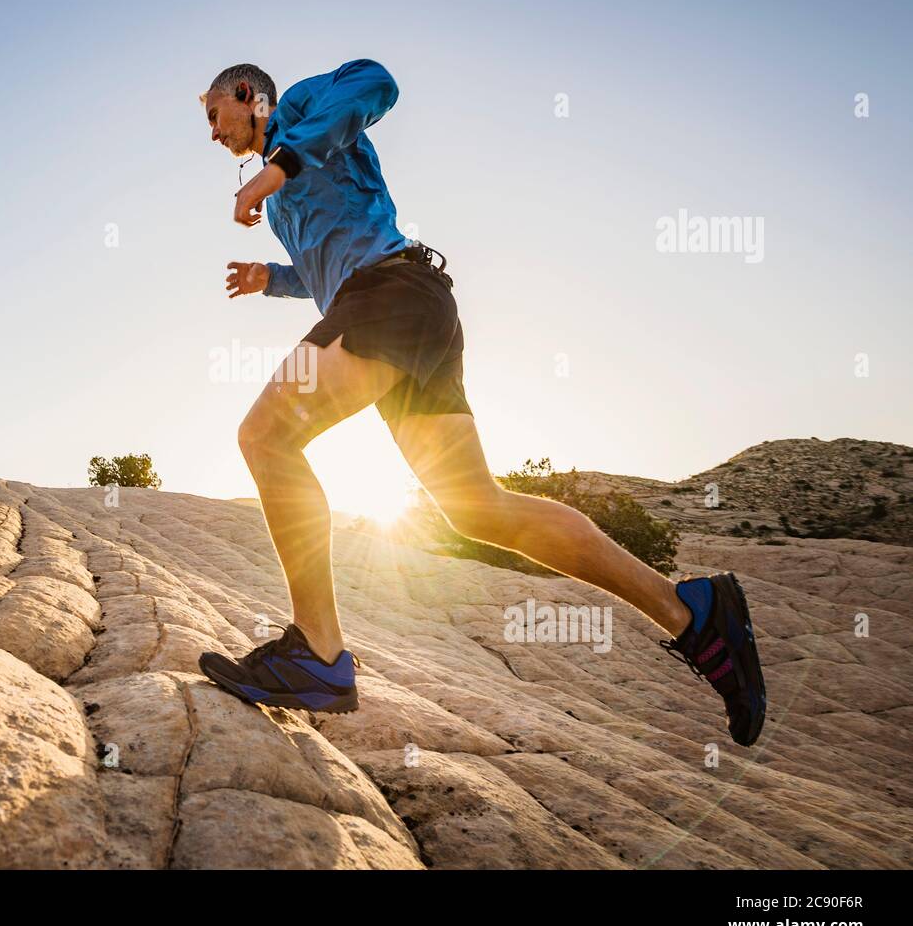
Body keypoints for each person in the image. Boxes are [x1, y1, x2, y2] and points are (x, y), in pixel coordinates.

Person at [195, 59, 767, 746]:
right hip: (403, 308)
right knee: (474, 508)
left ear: (247, 95)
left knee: (267, 438)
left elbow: (378, 83)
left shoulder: (309, 111)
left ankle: (317, 654)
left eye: (212, 114)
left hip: (394, 297)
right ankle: (692, 613)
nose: (211, 132)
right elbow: (332, 262)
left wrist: (279, 164)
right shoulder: (281, 203)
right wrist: (272, 279)